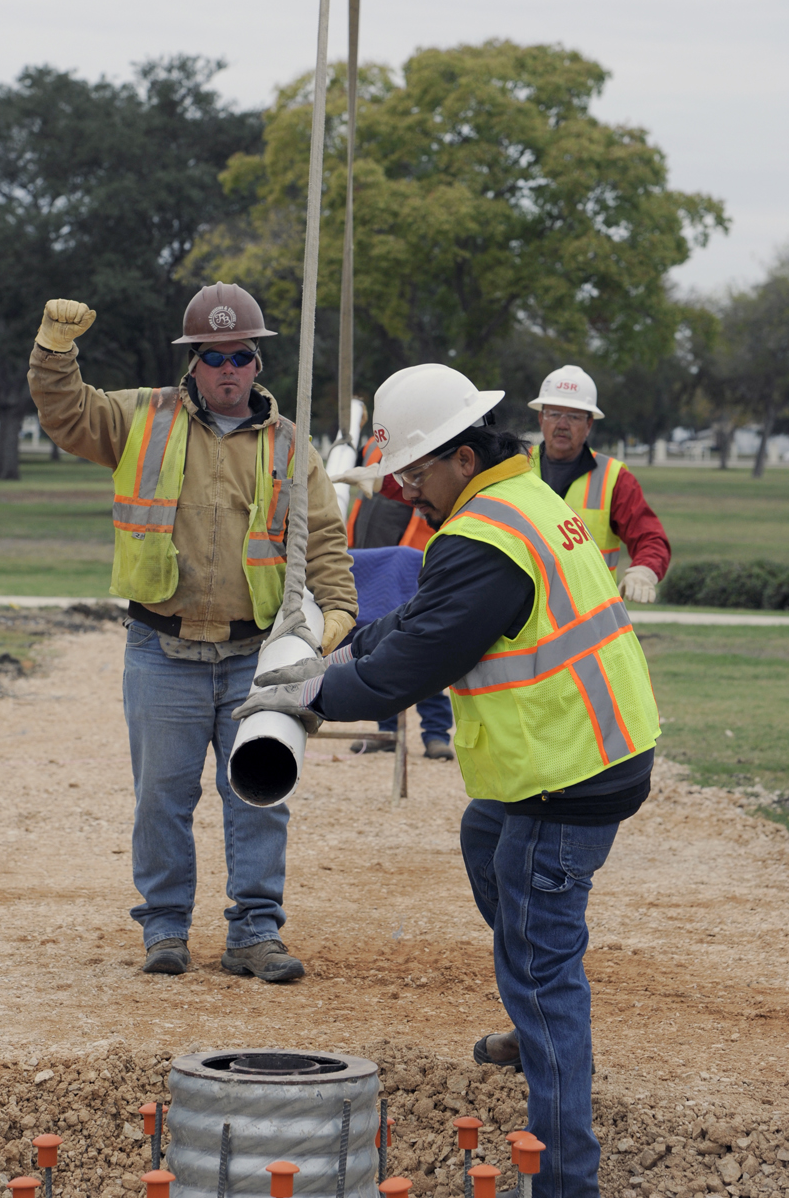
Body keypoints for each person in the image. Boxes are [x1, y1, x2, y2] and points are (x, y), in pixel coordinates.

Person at [236, 363, 660, 1198]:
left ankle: (565, 1174)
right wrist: (343, 646)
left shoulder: (483, 537)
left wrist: (312, 693)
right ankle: (535, 1025)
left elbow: (414, 668)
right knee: (484, 837)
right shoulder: (518, 497)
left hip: (571, 775)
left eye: (415, 469)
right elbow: (423, 617)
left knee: (544, 962)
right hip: (592, 752)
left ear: (463, 457)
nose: (403, 489)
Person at [27, 282, 356, 981]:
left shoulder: (291, 445)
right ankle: (166, 930)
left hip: (256, 654)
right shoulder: (141, 418)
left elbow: (325, 538)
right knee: (162, 799)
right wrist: (55, 353)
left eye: (241, 356)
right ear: (193, 363)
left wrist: (339, 610)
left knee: (261, 797)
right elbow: (66, 412)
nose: (229, 370)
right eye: (214, 356)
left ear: (258, 364)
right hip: (161, 649)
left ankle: (255, 934)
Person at [343, 436, 454, 761]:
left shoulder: (432, 439)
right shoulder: (372, 444)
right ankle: (386, 730)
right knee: (381, 651)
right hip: (376, 564)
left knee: (426, 652)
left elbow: (422, 490)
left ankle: (436, 734)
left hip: (415, 564)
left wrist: (380, 480)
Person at [528, 365, 670, 603]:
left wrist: (643, 571)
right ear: (541, 418)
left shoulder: (614, 479)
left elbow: (651, 539)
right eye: (554, 413)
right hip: (524, 621)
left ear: (589, 424)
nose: (562, 424)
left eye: (573, 416)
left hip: (588, 621)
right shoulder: (513, 468)